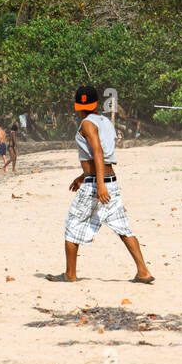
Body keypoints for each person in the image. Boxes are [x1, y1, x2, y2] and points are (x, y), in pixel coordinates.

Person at [47, 85, 154, 285]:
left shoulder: (87, 124)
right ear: (95, 103)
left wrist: (99, 184)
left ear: (78, 106)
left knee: (72, 225)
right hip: (110, 181)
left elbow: (98, 152)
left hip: (98, 185)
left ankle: (70, 274)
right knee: (123, 228)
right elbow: (102, 157)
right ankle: (143, 271)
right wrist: (83, 176)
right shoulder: (105, 121)